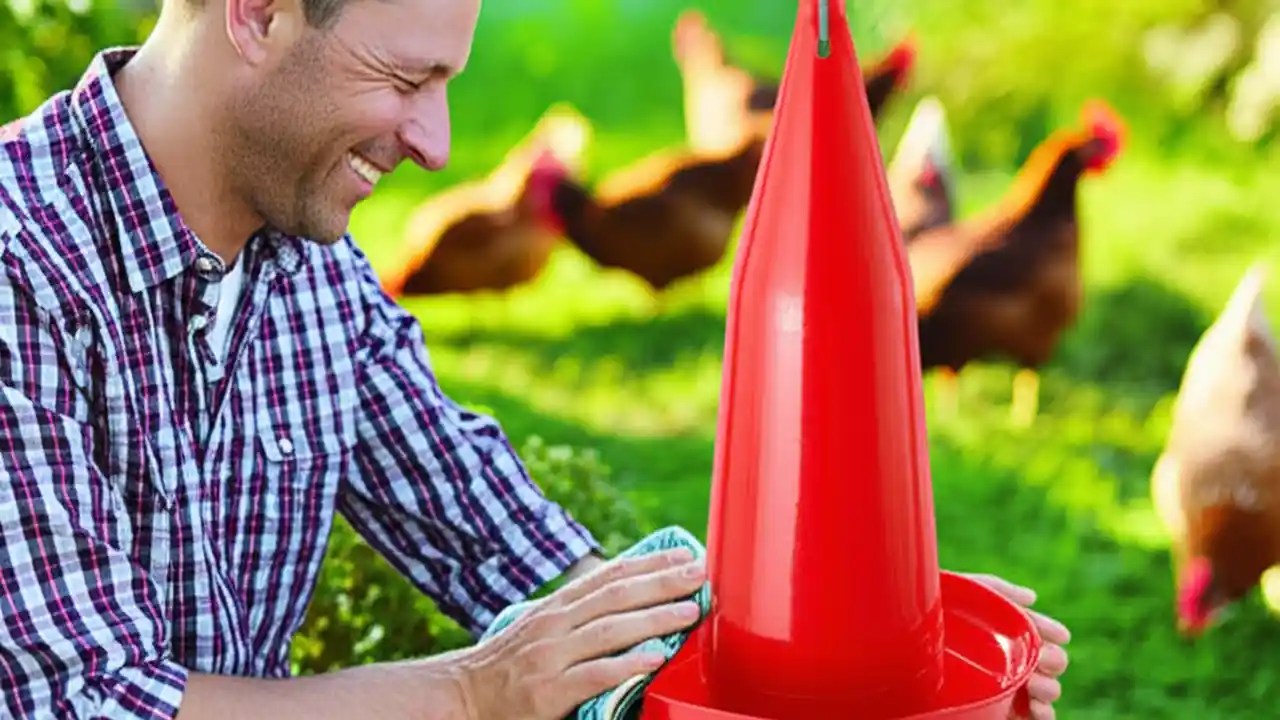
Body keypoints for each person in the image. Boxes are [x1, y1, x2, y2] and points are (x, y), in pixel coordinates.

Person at [0, 0, 1070, 718]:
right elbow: (91, 704)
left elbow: (500, 542)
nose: (438, 142)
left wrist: (858, 628)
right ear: (258, 12)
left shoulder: (305, 267)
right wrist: (473, 693)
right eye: (406, 78)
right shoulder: (21, 267)